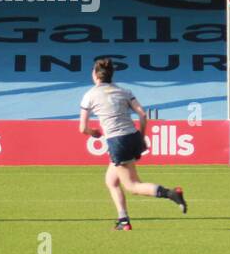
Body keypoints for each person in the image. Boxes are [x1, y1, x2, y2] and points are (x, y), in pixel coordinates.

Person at [79, 58, 187, 230]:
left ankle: (171, 193)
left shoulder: (89, 95)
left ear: (95, 75)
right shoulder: (124, 91)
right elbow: (143, 115)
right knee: (111, 181)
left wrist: (94, 133)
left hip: (117, 141)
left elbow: (82, 128)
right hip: (133, 136)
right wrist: (142, 137)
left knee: (132, 186)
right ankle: (123, 220)